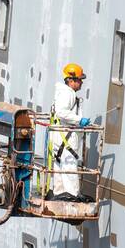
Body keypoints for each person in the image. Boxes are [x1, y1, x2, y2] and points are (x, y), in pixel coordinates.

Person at [48, 63, 93, 201]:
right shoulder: (68, 94)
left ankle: (59, 194)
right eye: (79, 80)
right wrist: (80, 120)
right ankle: (73, 196)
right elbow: (62, 112)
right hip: (65, 139)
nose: (81, 83)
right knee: (69, 166)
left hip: (58, 138)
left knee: (59, 166)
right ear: (71, 80)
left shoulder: (63, 93)